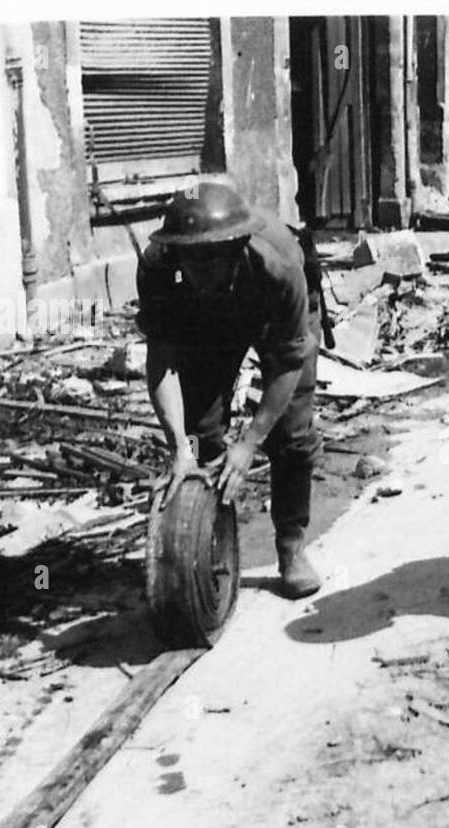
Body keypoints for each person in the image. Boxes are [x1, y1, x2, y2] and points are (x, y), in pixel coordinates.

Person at [137, 180, 323, 598]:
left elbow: (290, 361)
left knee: (291, 433)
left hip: (274, 314)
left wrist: (249, 443)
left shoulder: (279, 264)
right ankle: (208, 541)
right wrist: (179, 448)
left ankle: (291, 546)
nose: (198, 272)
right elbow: (162, 358)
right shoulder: (160, 267)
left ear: (236, 247)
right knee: (200, 434)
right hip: (210, 321)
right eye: (191, 260)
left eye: (210, 261)